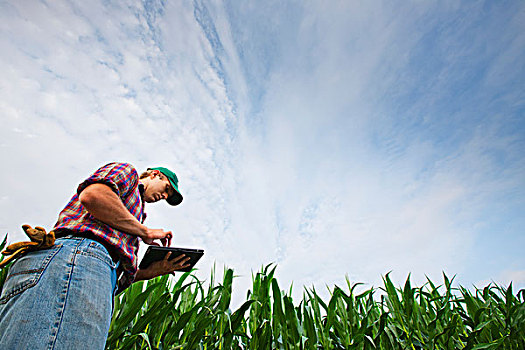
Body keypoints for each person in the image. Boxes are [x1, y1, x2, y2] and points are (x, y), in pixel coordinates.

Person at [0, 162, 190, 349]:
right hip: (76, 259)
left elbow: (108, 270)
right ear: (154, 174)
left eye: (168, 196)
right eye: (166, 188)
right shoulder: (129, 173)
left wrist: (148, 272)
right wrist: (144, 231)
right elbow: (93, 196)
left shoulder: (135, 213)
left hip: (81, 267)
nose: (164, 196)